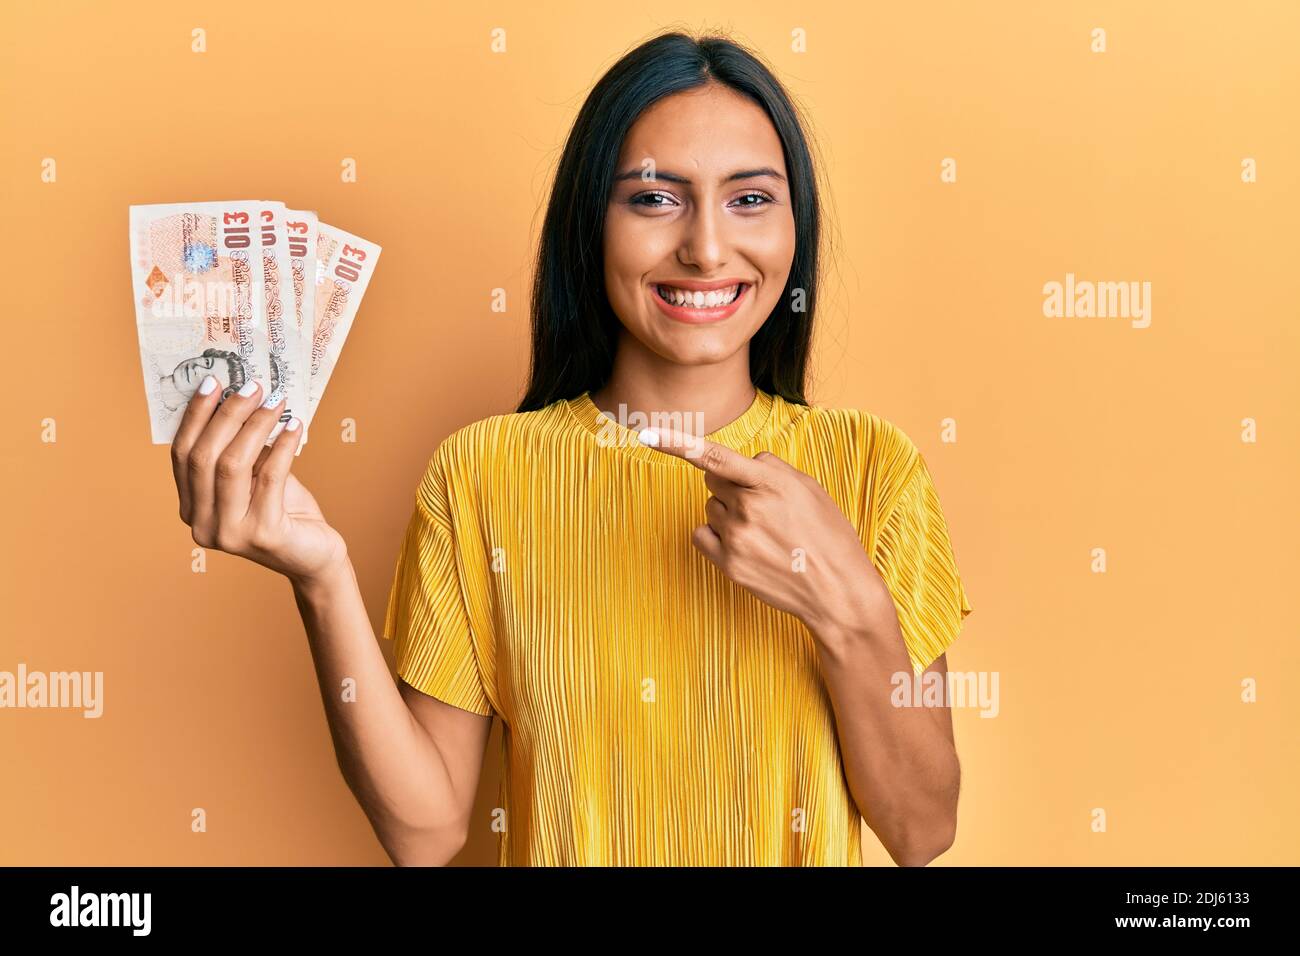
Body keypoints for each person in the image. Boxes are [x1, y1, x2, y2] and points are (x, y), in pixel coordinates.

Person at [168, 30, 973, 866]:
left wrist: (846, 607)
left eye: (749, 199)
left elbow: (923, 830)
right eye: (655, 200)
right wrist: (321, 575)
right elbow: (427, 830)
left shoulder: (875, 469)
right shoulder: (482, 473)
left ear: (794, 230)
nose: (703, 247)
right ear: (590, 225)